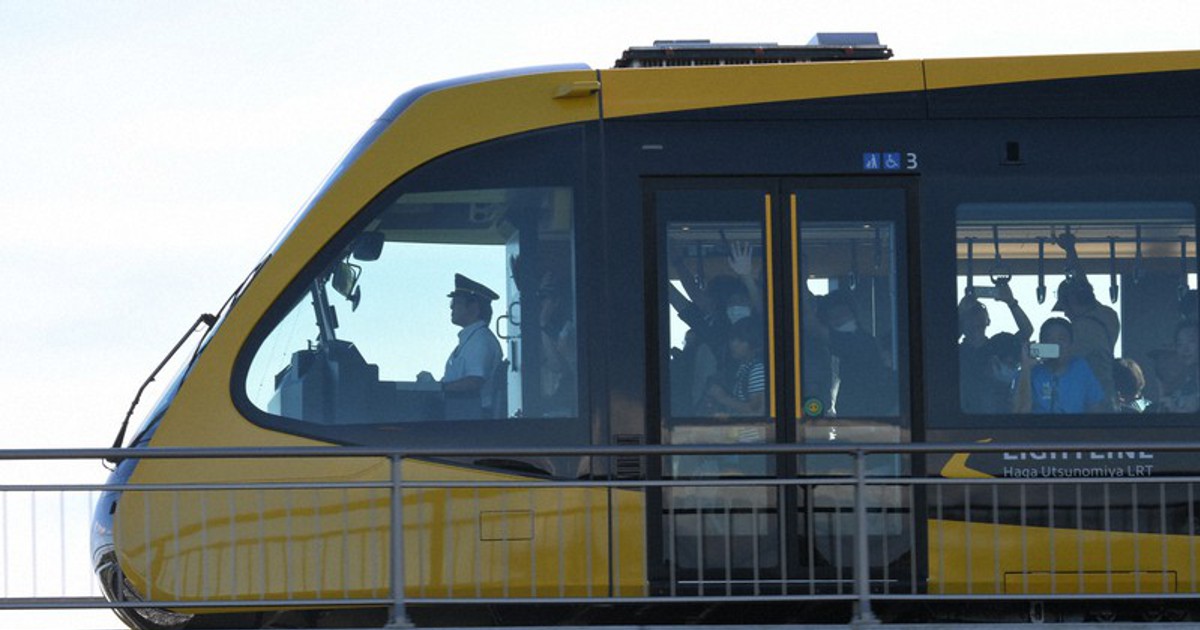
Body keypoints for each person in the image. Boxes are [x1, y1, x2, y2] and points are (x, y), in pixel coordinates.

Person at [439, 273, 503, 420]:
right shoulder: (471, 339)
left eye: (456, 304)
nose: (452, 308)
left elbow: (474, 381)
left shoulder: (481, 340)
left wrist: (441, 388)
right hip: (462, 413)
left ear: (474, 307)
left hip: (473, 417)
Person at [1014, 317, 1107, 414]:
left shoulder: (1081, 368)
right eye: (1049, 339)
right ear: (1042, 344)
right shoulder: (1029, 372)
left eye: (1062, 339)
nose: (1056, 343)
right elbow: (1020, 414)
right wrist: (1026, 368)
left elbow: (1096, 410)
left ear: (1071, 345)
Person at [1052, 276, 1120, 407]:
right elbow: (1090, 298)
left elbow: (1057, 354)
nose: (1065, 313)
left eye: (1065, 307)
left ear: (1072, 301)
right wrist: (1072, 256)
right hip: (1108, 400)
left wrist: (1032, 350)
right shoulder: (1109, 316)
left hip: (1090, 405)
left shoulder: (1080, 330)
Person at [705, 318, 766, 417]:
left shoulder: (757, 370)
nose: (733, 344)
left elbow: (757, 411)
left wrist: (723, 397)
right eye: (732, 339)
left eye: (742, 340)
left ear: (756, 344)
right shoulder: (744, 367)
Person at [1153, 321, 1199, 413]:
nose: (1185, 349)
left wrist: (1176, 411)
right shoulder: (1186, 386)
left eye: (1191, 341)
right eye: (1180, 344)